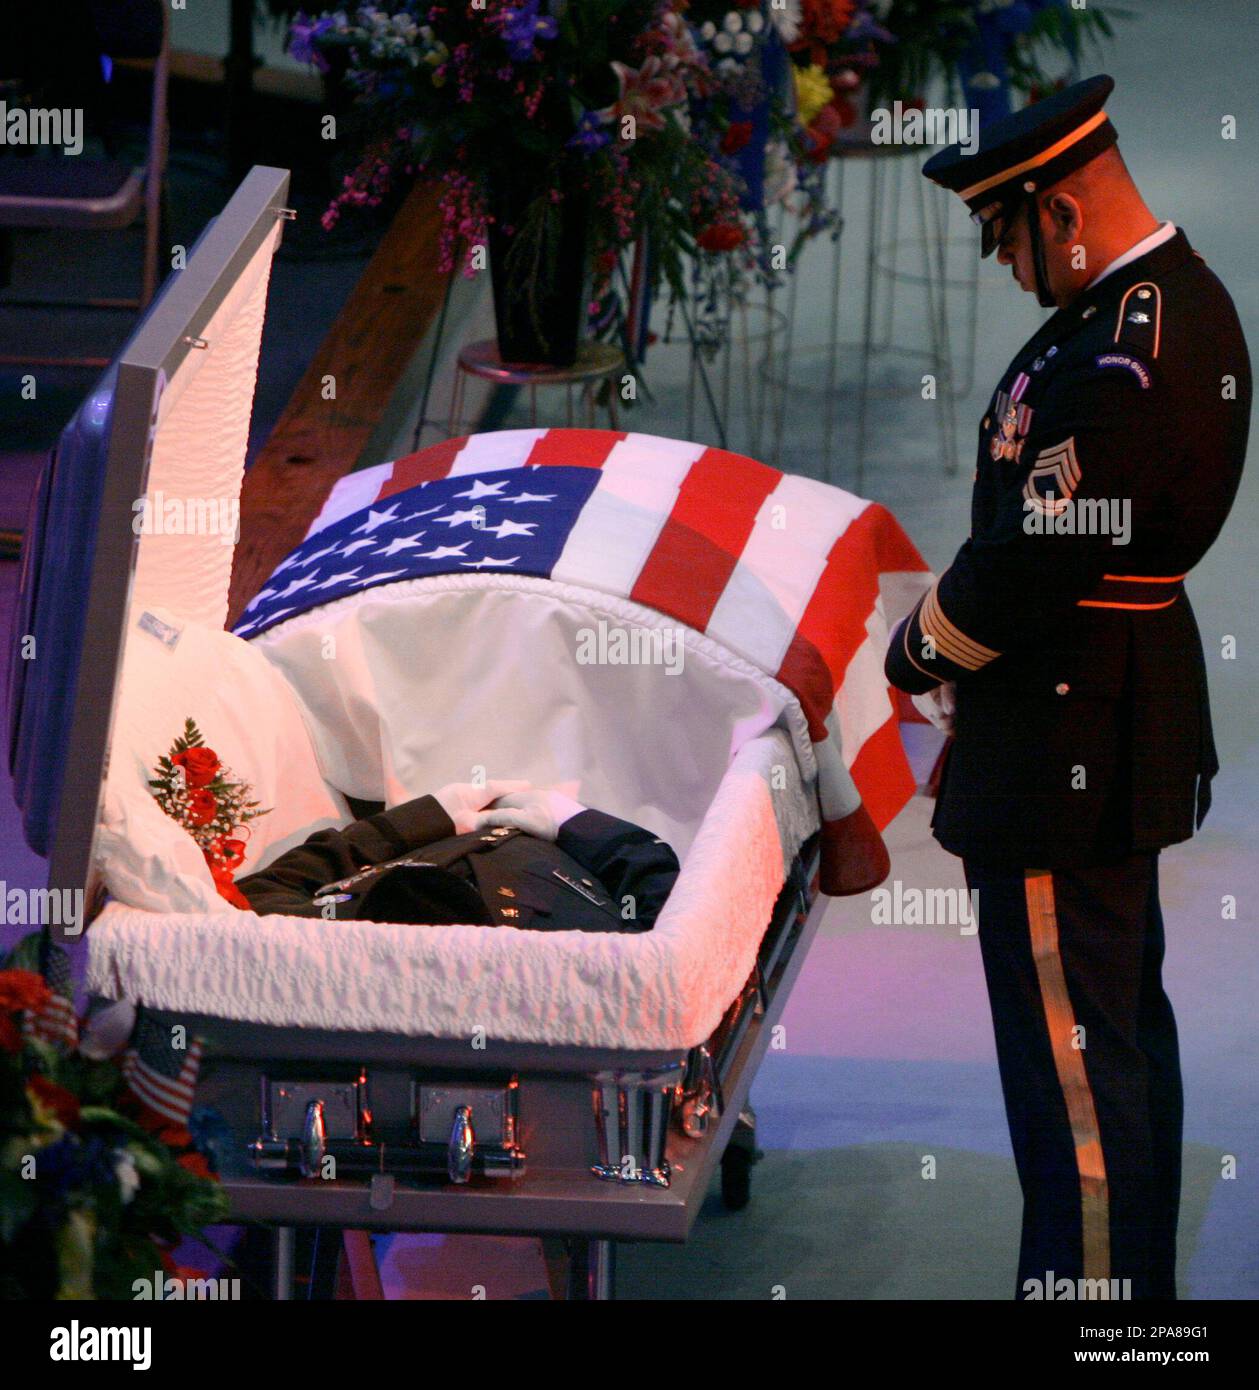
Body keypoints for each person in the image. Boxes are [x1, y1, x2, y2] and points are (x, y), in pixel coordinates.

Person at [885, 75, 1251, 1299]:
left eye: (1004, 234)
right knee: (1112, 1048)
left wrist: (916, 649)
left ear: (1054, 209)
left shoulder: (1123, 356)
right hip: (1101, 715)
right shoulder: (1149, 307)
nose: (1001, 264)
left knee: (1078, 1089)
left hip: (1059, 743)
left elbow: (1034, 560)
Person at [236, 780, 679, 934]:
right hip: (593, 830)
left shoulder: (313, 929)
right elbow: (673, 904)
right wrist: (575, 822)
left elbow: (258, 892)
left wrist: (430, 814)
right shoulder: (575, 956)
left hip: (450, 814)